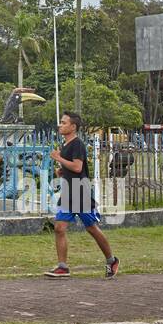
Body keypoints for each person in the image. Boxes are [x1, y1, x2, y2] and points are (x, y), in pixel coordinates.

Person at [44, 111, 119, 278]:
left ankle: (111, 260)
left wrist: (58, 159)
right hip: (69, 190)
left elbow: (78, 167)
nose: (60, 125)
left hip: (80, 190)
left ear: (73, 126)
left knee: (91, 228)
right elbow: (74, 169)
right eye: (61, 122)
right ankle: (63, 267)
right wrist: (62, 171)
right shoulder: (66, 145)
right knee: (59, 227)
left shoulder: (77, 144)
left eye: (63, 123)